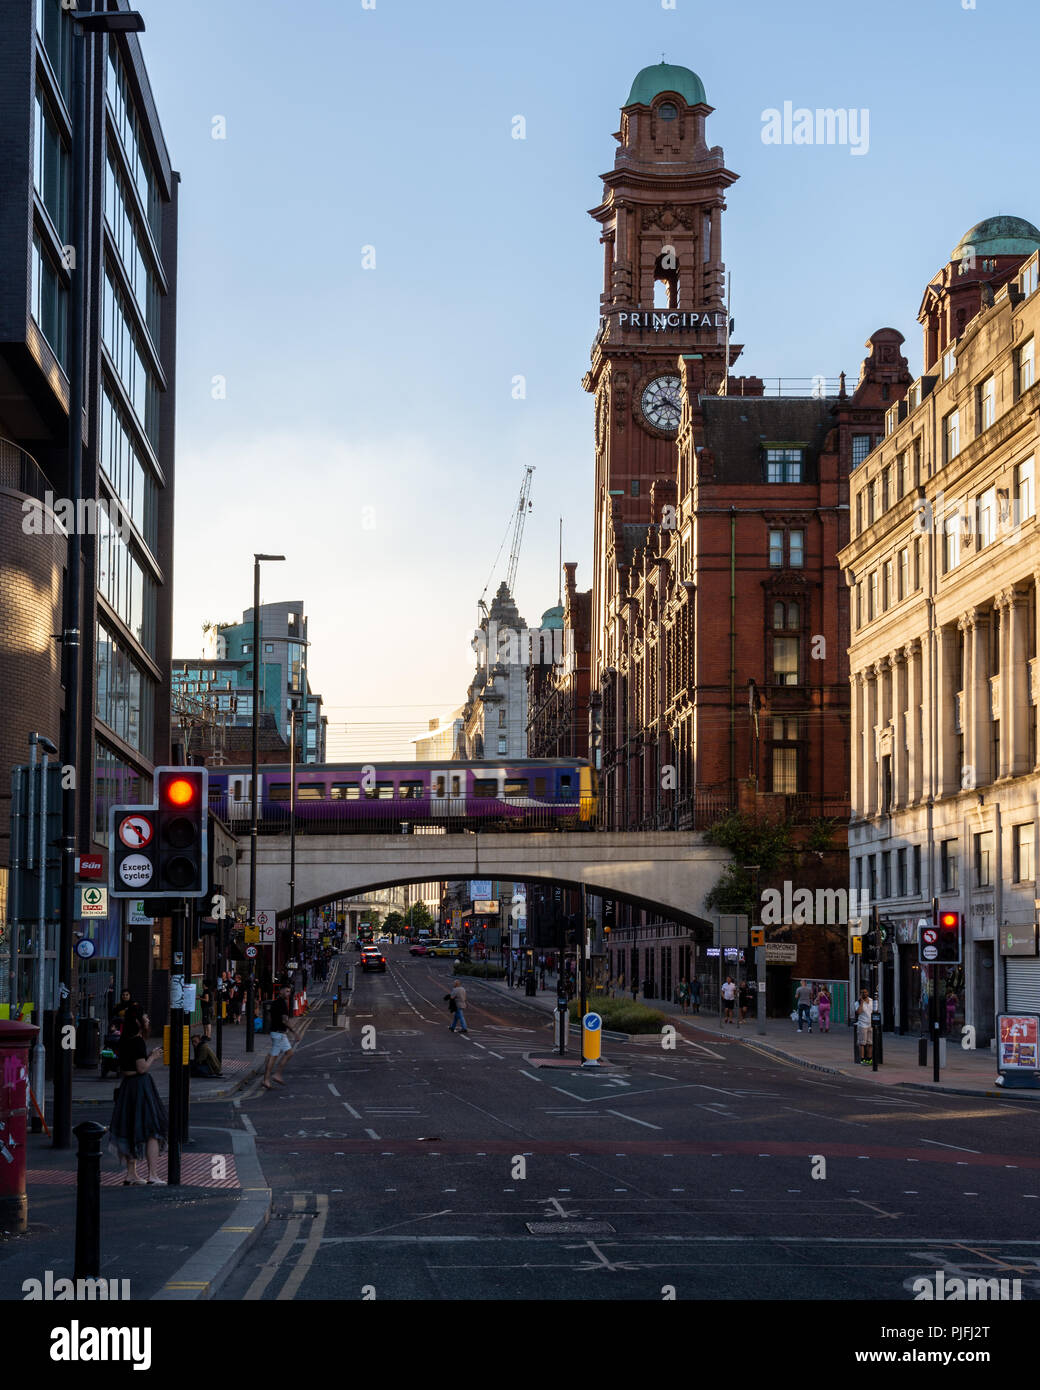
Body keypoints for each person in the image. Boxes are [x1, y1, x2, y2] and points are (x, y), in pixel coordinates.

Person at [109, 1010, 168, 1185]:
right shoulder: (137, 1041)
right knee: (152, 1130)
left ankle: (131, 1174)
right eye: (145, 1017)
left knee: (130, 1128)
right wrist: (153, 1057)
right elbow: (142, 1068)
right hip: (141, 1086)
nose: (148, 1020)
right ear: (138, 1022)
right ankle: (153, 1175)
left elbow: (125, 1068)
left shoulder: (123, 1041)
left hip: (127, 1086)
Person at [262, 985, 297, 1090]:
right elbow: (284, 1020)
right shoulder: (282, 1003)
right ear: (281, 992)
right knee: (274, 1056)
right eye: (286, 991)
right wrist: (295, 1032)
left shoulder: (276, 1002)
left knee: (289, 1053)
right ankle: (267, 1079)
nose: (288, 993)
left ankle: (276, 1074)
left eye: (289, 992)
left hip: (279, 1033)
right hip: (278, 1034)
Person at [855, 988, 874, 1063]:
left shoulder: (872, 1001)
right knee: (862, 1043)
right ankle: (862, 1059)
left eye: (865, 992)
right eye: (862, 992)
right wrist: (861, 1003)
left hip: (871, 1024)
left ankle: (869, 1058)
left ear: (868, 993)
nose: (864, 993)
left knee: (870, 1042)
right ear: (860, 994)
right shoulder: (857, 1003)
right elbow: (859, 1012)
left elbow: (875, 1011)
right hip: (862, 1024)